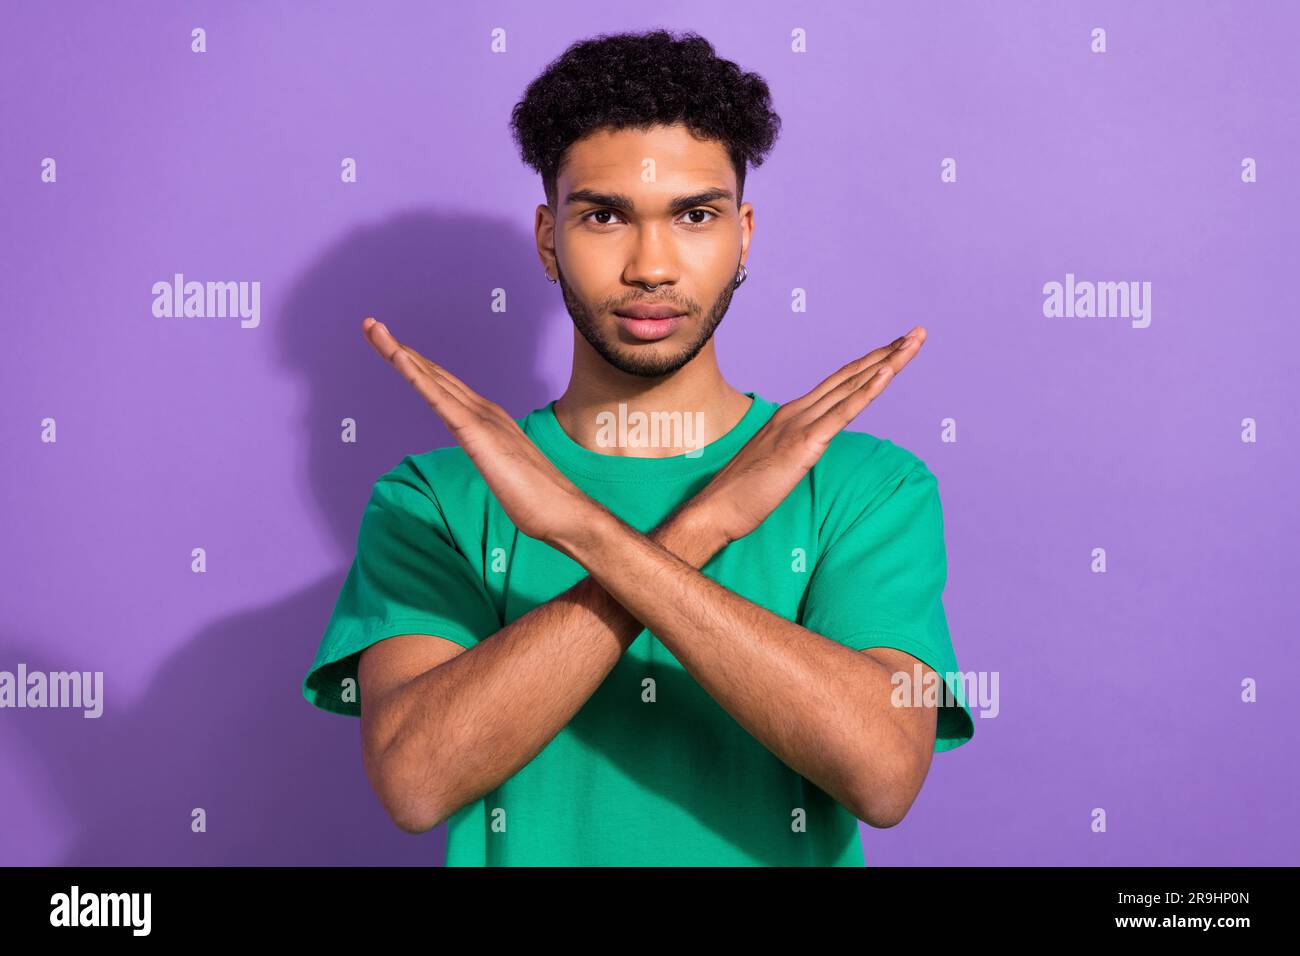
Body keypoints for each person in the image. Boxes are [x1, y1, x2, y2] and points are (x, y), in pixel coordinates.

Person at [302, 29, 974, 866]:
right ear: (549, 239)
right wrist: (703, 527)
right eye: (605, 216)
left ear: (745, 235)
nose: (651, 266)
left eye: (694, 215)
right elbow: (414, 782)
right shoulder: (434, 499)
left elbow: (883, 776)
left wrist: (581, 531)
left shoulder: (865, 485)